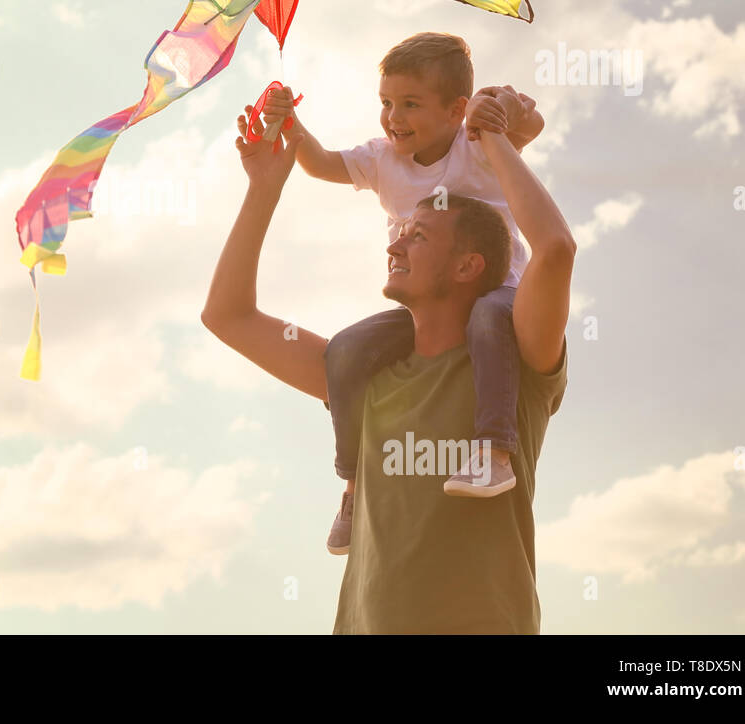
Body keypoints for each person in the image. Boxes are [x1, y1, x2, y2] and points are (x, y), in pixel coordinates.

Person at [200, 88, 574, 634]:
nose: (394, 246)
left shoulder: (514, 367)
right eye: (401, 231)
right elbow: (226, 315)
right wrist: (264, 188)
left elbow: (556, 249)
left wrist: (491, 135)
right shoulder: (365, 377)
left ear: (470, 265)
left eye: (417, 236)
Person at [261, 32, 545, 556]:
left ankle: (495, 454)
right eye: (387, 103)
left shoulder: (477, 144)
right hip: (427, 309)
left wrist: (499, 106)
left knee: (488, 322)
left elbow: (531, 119)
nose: (394, 116)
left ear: (456, 109)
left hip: (497, 292)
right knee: (345, 349)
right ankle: (352, 485)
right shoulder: (380, 160)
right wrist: (290, 124)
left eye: (411, 104)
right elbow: (321, 163)